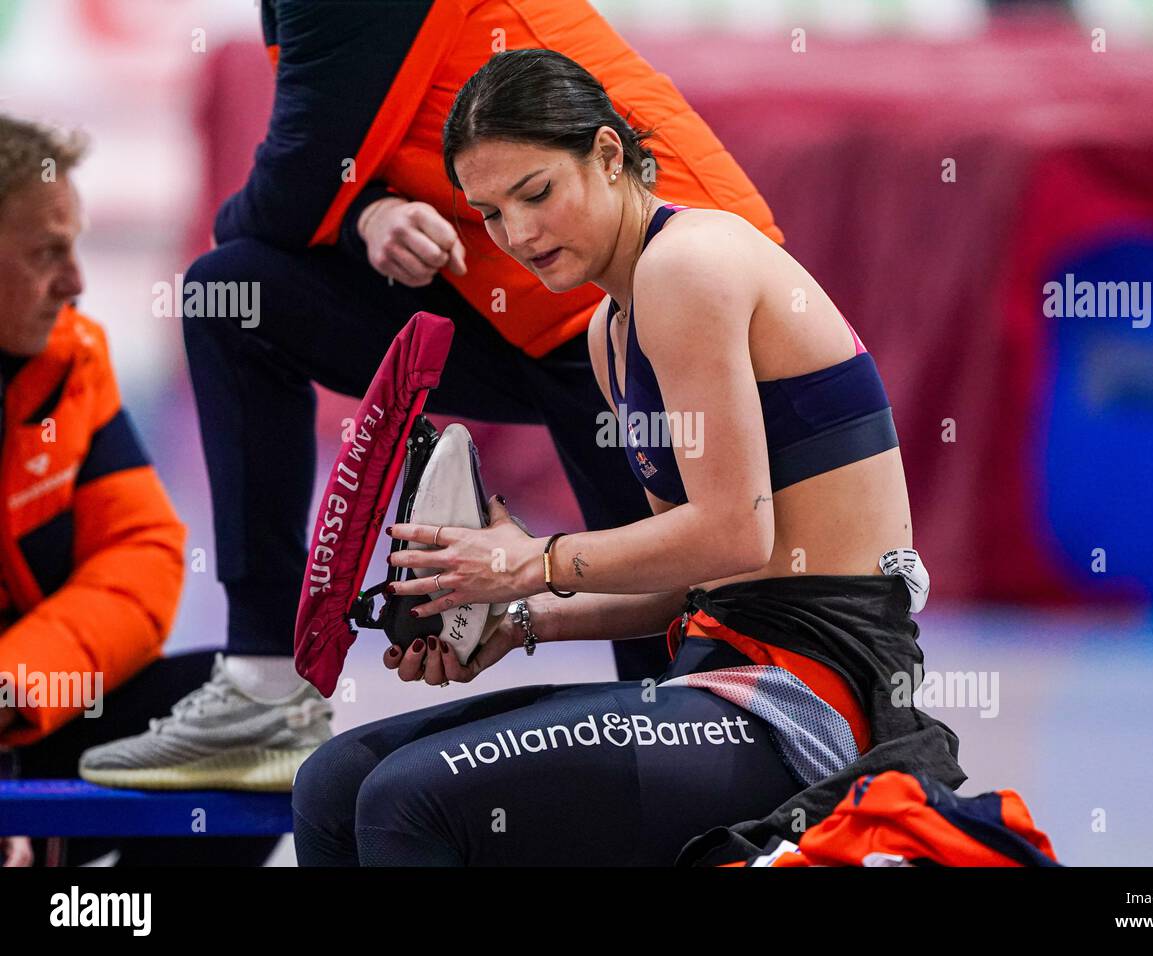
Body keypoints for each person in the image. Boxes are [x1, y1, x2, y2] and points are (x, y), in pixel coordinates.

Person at [83, 0, 784, 790]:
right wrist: (368, 213)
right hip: (526, 290)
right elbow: (325, 178)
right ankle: (264, 689)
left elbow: (289, 194)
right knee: (232, 295)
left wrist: (524, 575)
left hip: (634, 294)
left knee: (686, 699)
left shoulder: (680, 281)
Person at [289, 50, 963, 867]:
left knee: (409, 801)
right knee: (332, 780)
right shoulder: (612, 330)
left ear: (610, 156)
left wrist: (528, 564)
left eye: (536, 194)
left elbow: (734, 536)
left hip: (812, 707)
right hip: (719, 674)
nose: (519, 235)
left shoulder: (687, 266)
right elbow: (688, 584)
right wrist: (520, 620)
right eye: (491, 214)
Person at [0, 114, 294, 865]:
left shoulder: (71, 361)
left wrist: (14, 687)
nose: (76, 280)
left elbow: (141, 559)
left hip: (26, 715)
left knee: (258, 717)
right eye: (47, 253)